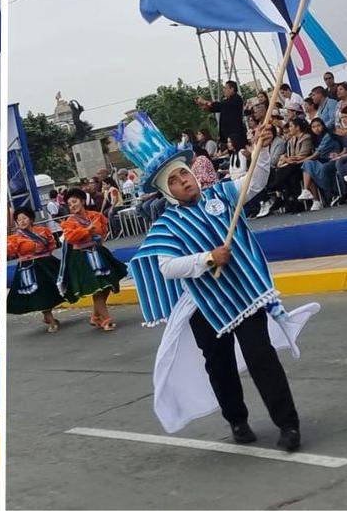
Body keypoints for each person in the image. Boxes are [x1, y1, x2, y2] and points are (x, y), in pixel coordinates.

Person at [116, 112, 310, 450]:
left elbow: (257, 181)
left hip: (243, 295)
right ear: (167, 190)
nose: (184, 181)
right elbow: (167, 267)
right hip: (203, 306)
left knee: (261, 357)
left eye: (184, 174)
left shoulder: (221, 197)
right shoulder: (167, 225)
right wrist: (207, 259)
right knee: (219, 366)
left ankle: (288, 425)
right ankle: (237, 419)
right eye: (174, 180)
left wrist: (260, 149)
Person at [59, 187, 127, 331]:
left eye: (75, 202)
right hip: (82, 257)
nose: (73, 206)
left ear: (82, 201)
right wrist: (86, 231)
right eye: (70, 204)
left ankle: (96, 315)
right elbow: (70, 238)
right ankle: (106, 319)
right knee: (97, 288)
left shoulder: (95, 215)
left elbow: (104, 230)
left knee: (108, 284)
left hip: (98, 252)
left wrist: (98, 236)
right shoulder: (69, 222)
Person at [7, 207, 72, 332]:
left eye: (24, 218)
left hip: (46, 263)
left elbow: (52, 245)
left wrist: (43, 255)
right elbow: (11, 251)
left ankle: (48, 317)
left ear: (31, 219)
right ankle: (50, 319)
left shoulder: (43, 231)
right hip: (28, 267)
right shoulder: (14, 238)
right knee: (39, 293)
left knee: (52, 289)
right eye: (18, 220)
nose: (22, 221)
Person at [298, 117, 342, 210]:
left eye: (318, 125)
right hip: (323, 161)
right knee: (307, 166)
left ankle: (314, 196)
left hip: (334, 160)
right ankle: (309, 194)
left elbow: (316, 154)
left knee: (309, 165)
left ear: (323, 125)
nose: (316, 129)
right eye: (313, 127)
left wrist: (298, 161)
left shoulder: (328, 136)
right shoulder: (315, 139)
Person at [196, 81, 246, 146]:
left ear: (232, 89)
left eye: (225, 88)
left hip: (236, 134)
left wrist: (205, 101)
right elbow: (214, 108)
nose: (224, 90)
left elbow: (220, 106)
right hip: (227, 136)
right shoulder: (226, 101)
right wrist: (203, 105)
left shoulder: (237, 99)